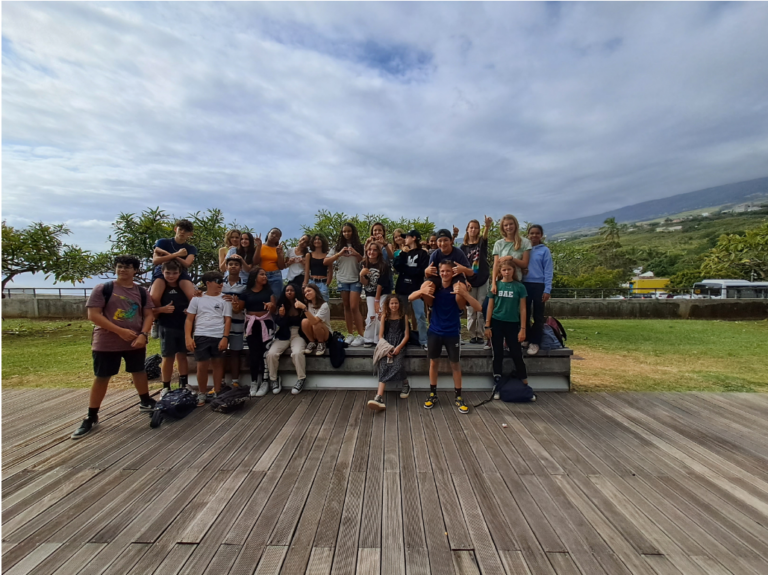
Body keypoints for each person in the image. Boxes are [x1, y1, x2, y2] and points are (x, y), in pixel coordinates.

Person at [71, 255, 157, 439]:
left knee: (139, 371)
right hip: (106, 342)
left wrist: (143, 334)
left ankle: (145, 401)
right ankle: (91, 416)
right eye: (119, 266)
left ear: (135, 270)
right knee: (102, 377)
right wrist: (120, 331)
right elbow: (93, 315)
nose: (122, 270)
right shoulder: (103, 288)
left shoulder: (141, 292)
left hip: (135, 341)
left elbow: (148, 315)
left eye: (127, 267)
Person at [409, 260, 483, 414]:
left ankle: (458, 396)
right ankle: (432, 394)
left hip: (452, 333)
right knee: (433, 364)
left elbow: (479, 307)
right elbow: (410, 297)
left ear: (453, 273)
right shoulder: (433, 289)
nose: (445, 274)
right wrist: (422, 292)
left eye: (448, 271)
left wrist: (464, 294)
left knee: (455, 365)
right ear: (439, 272)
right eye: (442, 271)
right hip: (435, 331)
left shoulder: (457, 291)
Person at [185, 271, 232, 407]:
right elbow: (189, 319)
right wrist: (188, 337)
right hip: (201, 335)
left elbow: (227, 319)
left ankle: (217, 391)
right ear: (208, 283)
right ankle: (202, 393)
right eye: (218, 281)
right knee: (202, 366)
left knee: (218, 364)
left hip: (218, 335)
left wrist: (225, 337)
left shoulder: (225, 299)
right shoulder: (197, 299)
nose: (221, 284)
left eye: (222, 281)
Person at [485, 258, 529, 399]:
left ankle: (524, 380)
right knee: (497, 353)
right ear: (500, 272)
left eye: (509, 269)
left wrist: (523, 329)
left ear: (513, 271)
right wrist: (487, 325)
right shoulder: (495, 286)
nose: (506, 272)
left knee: (516, 352)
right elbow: (490, 306)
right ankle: (497, 380)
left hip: (512, 323)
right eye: (504, 270)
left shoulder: (519, 287)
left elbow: (523, 309)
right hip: (497, 322)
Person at [152, 260, 190, 397]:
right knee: (167, 357)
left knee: (182, 356)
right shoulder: (160, 287)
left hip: (183, 326)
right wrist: (162, 309)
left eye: (174, 273)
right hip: (166, 326)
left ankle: (184, 384)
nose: (171, 276)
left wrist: (189, 310)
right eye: (168, 273)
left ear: (180, 273)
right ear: (162, 272)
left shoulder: (184, 286)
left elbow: (194, 302)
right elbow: (150, 310)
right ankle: (166, 386)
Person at [367, 296, 410, 411]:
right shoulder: (385, 317)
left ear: (399, 304)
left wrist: (399, 348)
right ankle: (379, 397)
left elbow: (406, 335)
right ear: (388, 305)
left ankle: (405, 384)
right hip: (387, 345)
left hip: (400, 344)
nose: (394, 305)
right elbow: (380, 336)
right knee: (384, 365)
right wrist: (387, 349)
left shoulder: (403, 317)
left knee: (398, 364)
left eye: (396, 303)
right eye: (392, 303)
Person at [325, 222, 365, 346]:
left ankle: (361, 334)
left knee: (354, 307)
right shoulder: (337, 247)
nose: (346, 233)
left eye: (349, 231)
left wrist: (355, 253)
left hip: (355, 279)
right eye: (344, 231)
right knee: (346, 307)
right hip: (342, 279)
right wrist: (339, 254)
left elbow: (365, 260)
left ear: (353, 232)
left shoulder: (360, 246)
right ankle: (350, 334)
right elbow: (326, 261)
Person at [240, 267, 277, 397]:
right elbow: (238, 308)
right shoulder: (246, 292)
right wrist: (235, 305)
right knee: (253, 353)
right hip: (251, 324)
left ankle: (265, 381)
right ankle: (254, 381)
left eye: (265, 275)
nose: (265, 277)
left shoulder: (269, 292)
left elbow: (274, 309)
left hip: (265, 324)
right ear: (254, 277)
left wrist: (271, 306)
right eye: (262, 274)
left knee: (265, 353)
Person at [267, 284, 308, 395]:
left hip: (298, 334)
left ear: (296, 292)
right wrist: (281, 316)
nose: (289, 292)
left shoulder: (302, 304)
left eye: (292, 290)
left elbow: (307, 321)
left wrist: (302, 309)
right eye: (287, 290)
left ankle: (301, 379)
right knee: (271, 354)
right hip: (284, 334)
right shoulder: (281, 305)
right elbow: (279, 324)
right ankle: (274, 379)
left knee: (297, 353)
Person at [393, 230, 429, 349]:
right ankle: (401, 339)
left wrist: (406, 270)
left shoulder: (423, 254)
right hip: (402, 289)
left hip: (416, 289)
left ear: (414, 238)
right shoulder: (403, 253)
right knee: (401, 315)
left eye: (407, 237)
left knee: (420, 315)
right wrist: (403, 254)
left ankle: (424, 340)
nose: (405, 239)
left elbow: (421, 271)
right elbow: (397, 267)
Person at [461, 216, 493, 344]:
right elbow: (460, 265)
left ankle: (480, 334)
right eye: (471, 227)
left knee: (481, 307)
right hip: (470, 281)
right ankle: (472, 333)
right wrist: (464, 280)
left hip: (483, 278)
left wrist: (487, 226)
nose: (473, 230)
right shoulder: (463, 248)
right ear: (467, 229)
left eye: (476, 228)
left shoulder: (481, 243)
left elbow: (485, 236)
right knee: (470, 309)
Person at [150, 219, 198, 305]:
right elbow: (156, 261)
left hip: (180, 271)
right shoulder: (163, 242)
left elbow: (187, 264)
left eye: (186, 231)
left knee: (193, 297)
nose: (182, 232)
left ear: (190, 234)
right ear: (175, 229)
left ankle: (191, 316)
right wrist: (178, 254)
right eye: (180, 229)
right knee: (154, 297)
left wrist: (167, 254)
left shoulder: (191, 248)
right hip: (162, 270)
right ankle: (157, 315)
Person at [522, 225, 553, 356]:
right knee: (524, 314)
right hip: (525, 284)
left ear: (541, 235)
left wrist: (547, 289)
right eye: (532, 233)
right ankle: (526, 338)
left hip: (539, 285)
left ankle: (535, 342)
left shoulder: (544, 251)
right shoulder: (525, 249)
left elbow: (548, 270)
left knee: (538, 315)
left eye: (537, 233)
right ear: (528, 235)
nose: (534, 236)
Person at [221, 256, 248, 387]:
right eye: (230, 264)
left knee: (235, 352)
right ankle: (219, 381)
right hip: (220, 323)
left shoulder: (244, 286)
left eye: (236, 264)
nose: (233, 266)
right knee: (220, 352)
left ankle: (235, 382)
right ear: (226, 267)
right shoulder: (219, 283)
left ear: (240, 268)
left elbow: (239, 309)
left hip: (237, 322)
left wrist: (232, 302)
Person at [360, 242, 392, 347]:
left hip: (382, 292)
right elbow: (365, 283)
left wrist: (377, 301)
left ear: (378, 252)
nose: (371, 252)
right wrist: (361, 275)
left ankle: (379, 337)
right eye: (369, 250)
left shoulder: (383, 265)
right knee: (371, 315)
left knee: (380, 313)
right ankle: (368, 338)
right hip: (370, 292)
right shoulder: (363, 263)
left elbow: (381, 284)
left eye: (374, 250)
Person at [491, 214, 531, 293]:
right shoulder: (498, 244)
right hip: (501, 281)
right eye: (506, 225)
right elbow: (496, 265)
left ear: (515, 225)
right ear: (503, 227)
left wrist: (511, 258)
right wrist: (493, 283)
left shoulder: (525, 242)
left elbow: (524, 264)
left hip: (516, 281)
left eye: (511, 224)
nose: (508, 227)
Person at [301, 283, 332, 356]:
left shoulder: (324, 305)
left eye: (309, 291)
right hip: (313, 332)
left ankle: (321, 344)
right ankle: (312, 342)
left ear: (315, 291)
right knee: (304, 321)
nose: (307, 294)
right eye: (305, 293)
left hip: (325, 333)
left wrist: (304, 309)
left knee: (316, 323)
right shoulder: (308, 304)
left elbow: (314, 321)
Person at [254, 228, 286, 296]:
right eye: (272, 233)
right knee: (261, 297)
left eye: (277, 236)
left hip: (276, 275)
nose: (274, 236)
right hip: (262, 275)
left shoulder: (278, 249)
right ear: (268, 234)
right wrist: (258, 247)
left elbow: (281, 267)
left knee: (275, 297)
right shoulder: (260, 246)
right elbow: (255, 262)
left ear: (279, 239)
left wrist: (280, 255)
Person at [304, 233, 333, 301]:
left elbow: (331, 271)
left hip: (323, 283)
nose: (317, 241)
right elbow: (307, 271)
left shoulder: (327, 255)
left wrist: (327, 283)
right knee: (311, 304)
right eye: (315, 239)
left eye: (319, 239)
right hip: (312, 282)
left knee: (324, 304)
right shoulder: (309, 255)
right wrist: (305, 284)